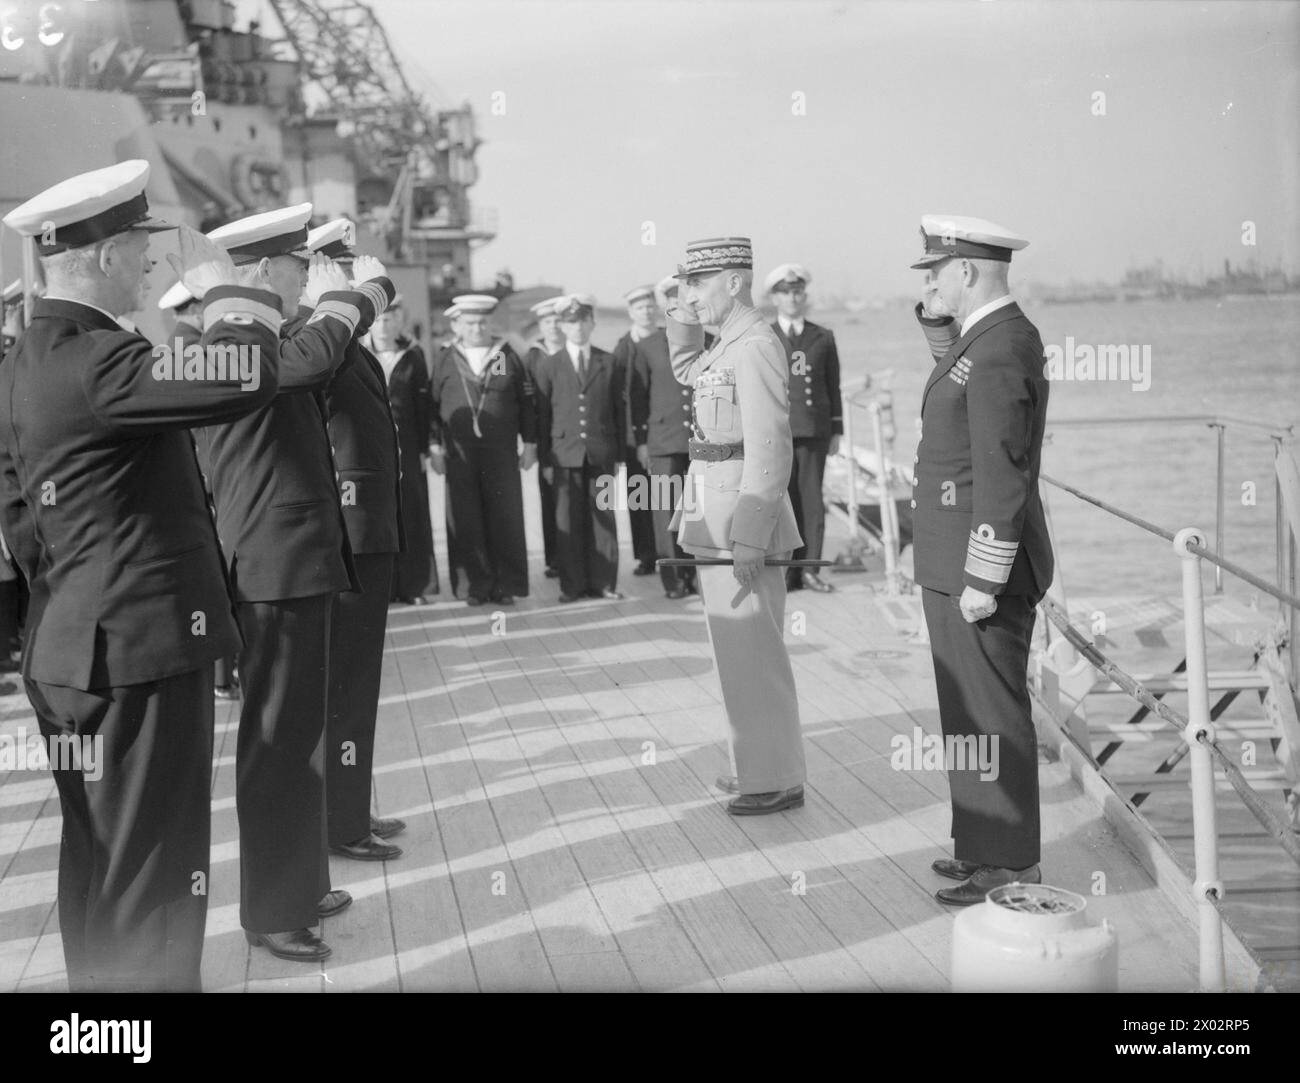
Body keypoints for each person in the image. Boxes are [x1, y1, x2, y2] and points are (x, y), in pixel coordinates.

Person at [0, 160, 281, 990]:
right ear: (106, 255)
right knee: (154, 869)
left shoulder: (23, 361)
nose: (158, 267)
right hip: (136, 657)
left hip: (72, 649)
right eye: (145, 249)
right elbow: (246, 372)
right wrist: (230, 288)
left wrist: (73, 591)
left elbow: (20, 517)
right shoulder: (101, 363)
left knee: (103, 861)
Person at [201, 203, 396, 962]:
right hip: (270, 570)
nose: (301, 279)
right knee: (277, 744)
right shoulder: (229, 344)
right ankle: (271, 909)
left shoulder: (265, 339)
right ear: (256, 271)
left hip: (301, 562)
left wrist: (336, 302)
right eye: (293, 266)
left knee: (305, 738)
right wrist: (358, 296)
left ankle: (302, 881)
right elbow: (314, 360)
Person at [907, 214, 1054, 905]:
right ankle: (980, 843)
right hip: (948, 563)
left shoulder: (1001, 348)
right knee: (965, 713)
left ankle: (1012, 860)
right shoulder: (982, 339)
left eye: (935, 271)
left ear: (967, 270)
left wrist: (983, 577)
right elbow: (948, 368)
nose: (928, 280)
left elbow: (1002, 472)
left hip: (977, 569)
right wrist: (933, 310)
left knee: (993, 713)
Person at [665, 237, 805, 814]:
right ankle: (758, 768)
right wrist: (682, 309)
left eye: (697, 284)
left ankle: (775, 779)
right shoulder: (726, 345)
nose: (690, 293)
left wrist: (748, 536)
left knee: (755, 654)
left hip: (741, 525)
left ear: (733, 281)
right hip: (715, 518)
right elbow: (685, 370)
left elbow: (771, 448)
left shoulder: (755, 346)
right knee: (736, 655)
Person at [302, 219, 406, 863]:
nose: (364, 280)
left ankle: (351, 804)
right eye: (350, 270)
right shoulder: (323, 341)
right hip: (350, 535)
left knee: (355, 685)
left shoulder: (346, 342)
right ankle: (341, 823)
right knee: (346, 686)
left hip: (367, 531)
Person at [157, 278, 240, 701]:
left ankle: (222, 676)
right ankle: (222, 677)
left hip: (197, 486)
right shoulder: (194, 353)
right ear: (195, 310)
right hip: (211, 485)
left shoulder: (175, 350)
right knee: (220, 581)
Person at [428, 293, 536, 605]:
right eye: (471, 323)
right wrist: (434, 445)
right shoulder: (446, 357)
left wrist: (529, 444)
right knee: (465, 519)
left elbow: (526, 404)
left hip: (500, 453)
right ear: (457, 325)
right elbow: (432, 406)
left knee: (505, 518)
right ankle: (474, 586)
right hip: (460, 454)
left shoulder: (505, 354)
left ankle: (506, 586)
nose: (477, 328)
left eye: (483, 322)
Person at [533, 294, 624, 602]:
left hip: (601, 451)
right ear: (562, 326)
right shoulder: (549, 365)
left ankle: (604, 582)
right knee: (567, 520)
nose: (578, 328)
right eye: (571, 322)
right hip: (564, 452)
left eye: (583, 321)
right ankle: (572, 585)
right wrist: (545, 457)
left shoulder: (608, 361)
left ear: (592, 324)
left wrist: (620, 454)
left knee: (604, 517)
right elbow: (542, 415)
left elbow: (618, 410)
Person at [765, 263, 842, 593]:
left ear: (804, 296)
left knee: (812, 501)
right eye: (786, 293)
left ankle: (810, 569)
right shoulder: (764, 337)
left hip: (813, 430)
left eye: (797, 292)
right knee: (782, 501)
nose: (792, 298)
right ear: (775, 298)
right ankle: (786, 571)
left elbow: (832, 385)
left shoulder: (822, 336)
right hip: (777, 432)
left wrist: (837, 429)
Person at [628, 276, 698, 599]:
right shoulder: (646, 348)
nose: (676, 305)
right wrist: (641, 442)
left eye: (681, 299)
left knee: (698, 511)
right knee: (667, 512)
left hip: (701, 440)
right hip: (662, 441)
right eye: (670, 301)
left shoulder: (705, 339)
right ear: (663, 306)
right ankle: (674, 580)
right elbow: (637, 398)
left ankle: (698, 576)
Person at [369, 298, 438, 603]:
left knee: (411, 513)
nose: (383, 327)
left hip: (407, 447)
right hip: (369, 448)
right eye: (378, 321)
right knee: (377, 516)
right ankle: (384, 588)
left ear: (398, 321)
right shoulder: (356, 353)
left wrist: (428, 446)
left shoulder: (412, 355)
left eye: (388, 320)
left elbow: (424, 406)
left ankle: (415, 586)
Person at [611, 285, 661, 577]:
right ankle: (645, 555)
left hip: (664, 430)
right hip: (633, 434)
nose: (646, 312)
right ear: (631, 312)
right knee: (639, 495)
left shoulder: (667, 339)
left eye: (650, 306)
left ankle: (672, 551)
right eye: (640, 308)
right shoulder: (623, 347)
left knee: (669, 495)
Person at [524, 296, 567, 579]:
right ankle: (554, 558)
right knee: (550, 499)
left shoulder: (572, 350)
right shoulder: (533, 356)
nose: (553, 326)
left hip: (572, 433)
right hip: (546, 435)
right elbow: (529, 403)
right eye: (547, 321)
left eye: (557, 320)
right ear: (540, 325)